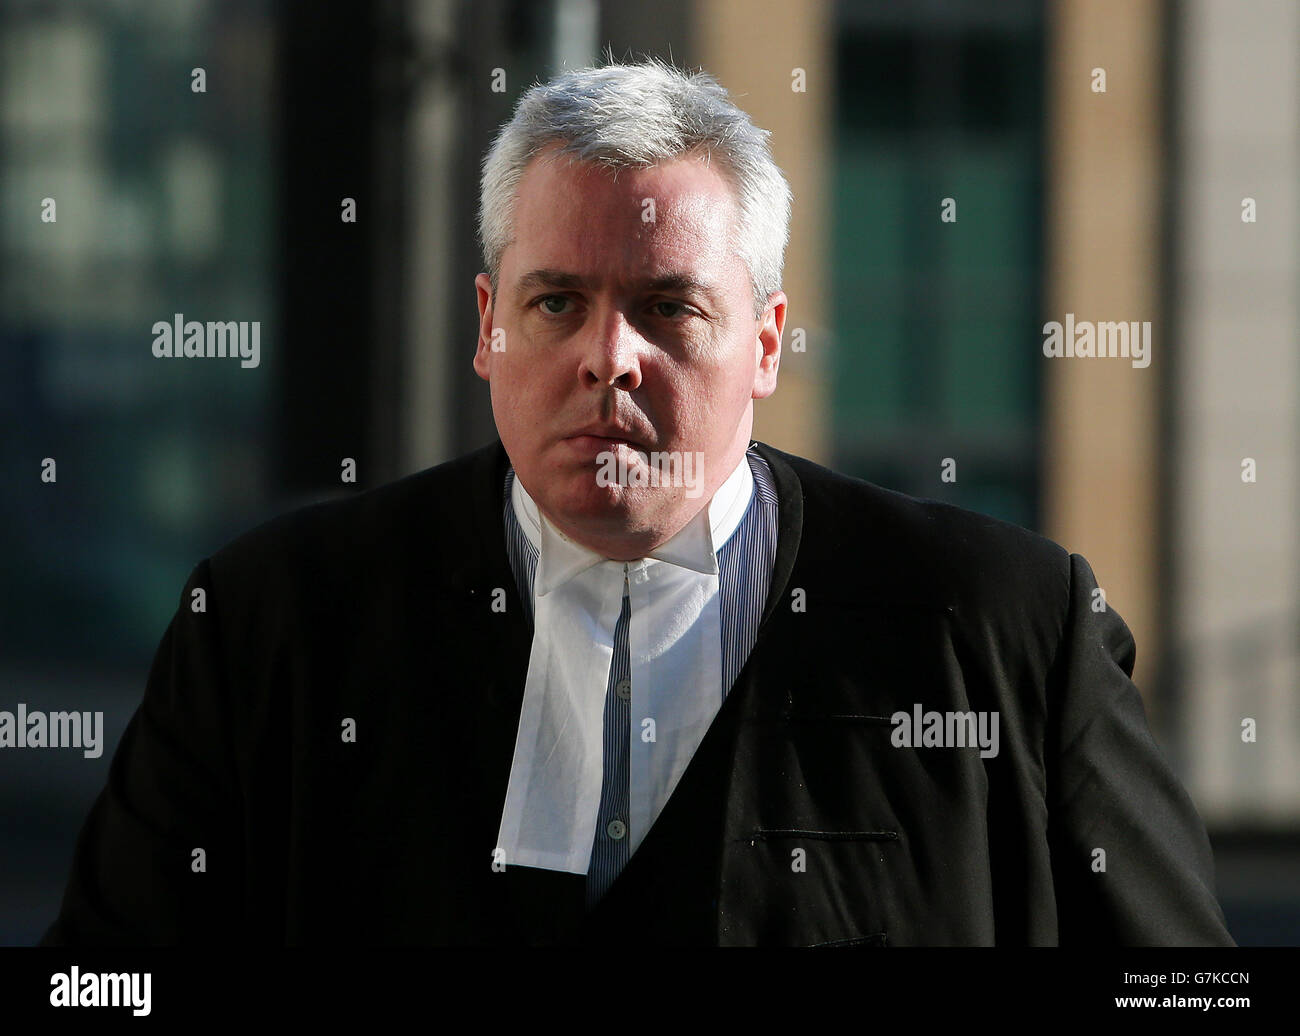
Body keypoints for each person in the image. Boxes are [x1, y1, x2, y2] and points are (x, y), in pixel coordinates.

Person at [41, 58, 1233, 946]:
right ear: (487, 327)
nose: (609, 357)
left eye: (669, 307)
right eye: (557, 302)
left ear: (766, 341)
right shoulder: (271, 630)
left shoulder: (1004, 634)